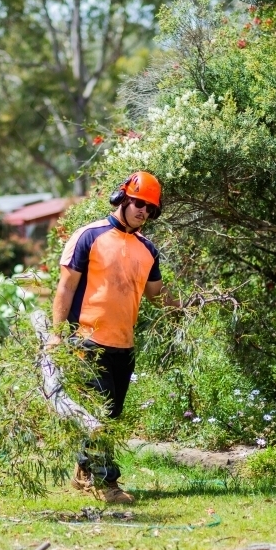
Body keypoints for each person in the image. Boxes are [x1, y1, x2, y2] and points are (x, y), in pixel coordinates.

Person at [48, 170, 170, 504]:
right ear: (122, 199)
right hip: (87, 341)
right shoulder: (90, 235)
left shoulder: (148, 249)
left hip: (123, 345)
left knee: (110, 415)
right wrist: (58, 336)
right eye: (139, 203)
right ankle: (108, 485)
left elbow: (158, 293)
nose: (143, 212)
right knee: (101, 416)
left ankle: (84, 471)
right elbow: (65, 287)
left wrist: (189, 305)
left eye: (150, 209)